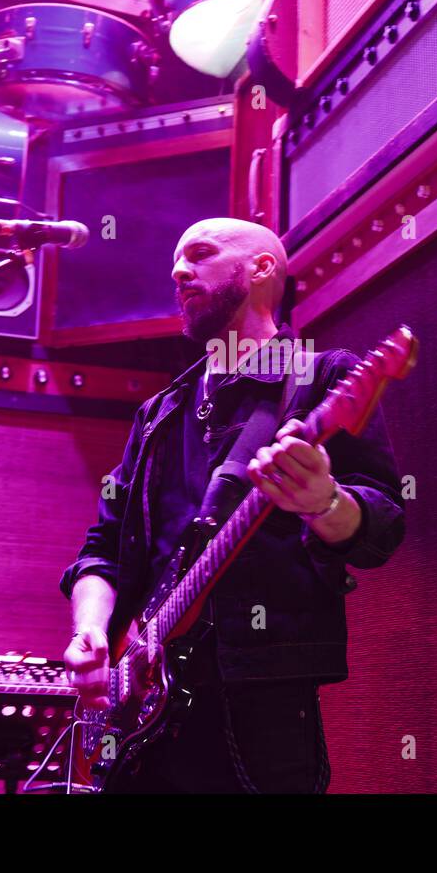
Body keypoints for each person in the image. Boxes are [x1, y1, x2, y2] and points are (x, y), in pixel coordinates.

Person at [59, 217, 405, 792]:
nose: (178, 271)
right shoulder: (159, 414)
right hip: (139, 698)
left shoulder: (321, 377)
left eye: (199, 254)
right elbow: (102, 549)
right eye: (175, 261)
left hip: (259, 701)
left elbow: (383, 526)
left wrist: (325, 503)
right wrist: (90, 631)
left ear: (261, 268)